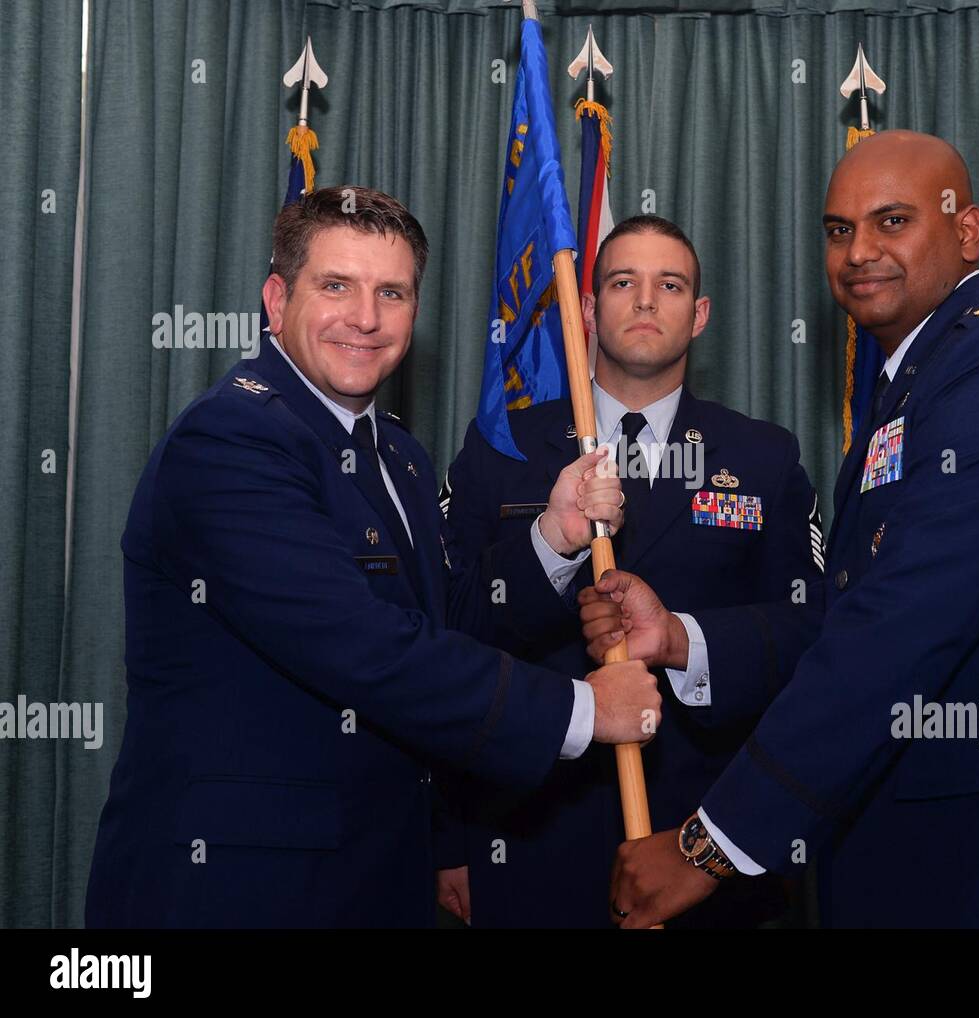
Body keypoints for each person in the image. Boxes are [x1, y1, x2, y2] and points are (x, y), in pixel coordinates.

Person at [584, 133, 979, 929]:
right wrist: (678, 636)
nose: (859, 252)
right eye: (839, 229)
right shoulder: (912, 383)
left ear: (967, 231)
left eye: (892, 222)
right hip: (932, 860)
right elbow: (844, 620)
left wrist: (714, 843)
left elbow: (902, 628)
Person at [84, 186, 660, 928]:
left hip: (375, 875)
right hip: (236, 890)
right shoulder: (228, 442)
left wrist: (553, 534)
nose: (365, 317)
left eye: (392, 292)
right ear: (274, 299)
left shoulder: (400, 456)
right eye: (336, 286)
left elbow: (447, 621)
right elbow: (361, 647)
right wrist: (581, 709)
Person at [435, 215, 824, 927]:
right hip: (526, 839)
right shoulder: (504, 446)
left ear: (699, 314)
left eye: (669, 285)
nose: (646, 302)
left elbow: (810, 634)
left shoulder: (764, 456)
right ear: (587, 310)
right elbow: (447, 629)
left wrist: (680, 639)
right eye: (623, 283)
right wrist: (552, 551)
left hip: (704, 847)